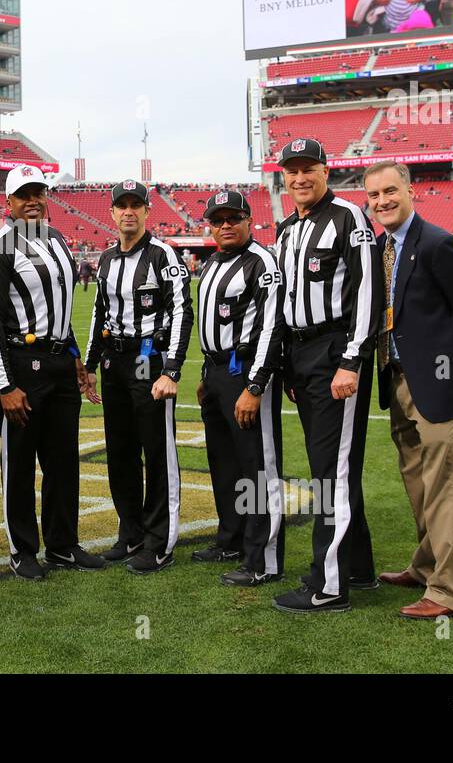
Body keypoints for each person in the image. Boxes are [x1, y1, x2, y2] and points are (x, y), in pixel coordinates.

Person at [364, 162, 453, 619]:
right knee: (420, 486)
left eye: (390, 191)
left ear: (410, 191)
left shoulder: (439, 244)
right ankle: (426, 566)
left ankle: (451, 592)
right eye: (375, 195)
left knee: (446, 489)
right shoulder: (382, 248)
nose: (383, 201)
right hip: (399, 379)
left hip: (441, 384)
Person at [0, 164, 104, 579]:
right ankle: (22, 549)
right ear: (8, 202)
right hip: (22, 364)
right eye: (24, 193)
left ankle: (63, 545)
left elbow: (61, 311)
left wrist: (75, 359)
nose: (33, 199)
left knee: (63, 459)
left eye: (39, 192)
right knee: (19, 461)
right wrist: (5, 384)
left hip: (58, 363)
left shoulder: (58, 240)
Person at [272, 138, 379, 614]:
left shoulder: (348, 217)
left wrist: (352, 360)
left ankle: (329, 585)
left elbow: (369, 293)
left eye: (307, 169)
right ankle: (355, 566)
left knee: (331, 473)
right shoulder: (286, 230)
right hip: (303, 354)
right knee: (333, 469)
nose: (299, 178)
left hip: (336, 350)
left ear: (325, 171)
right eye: (291, 171)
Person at [80, 180, 192, 575]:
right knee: (121, 452)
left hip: (149, 360)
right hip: (115, 360)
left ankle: (159, 542)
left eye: (136, 205)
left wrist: (172, 369)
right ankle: (130, 532)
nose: (128, 212)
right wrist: (89, 364)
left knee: (157, 451)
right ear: (111, 213)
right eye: (121, 206)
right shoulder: (107, 259)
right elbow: (98, 312)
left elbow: (181, 310)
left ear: (148, 211)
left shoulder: (163, 255)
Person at [188, 189, 286, 586]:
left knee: (256, 467)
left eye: (233, 218)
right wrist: (206, 377)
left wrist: (256, 383)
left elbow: (271, 327)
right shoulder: (212, 262)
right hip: (216, 374)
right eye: (217, 220)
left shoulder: (262, 262)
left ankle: (264, 558)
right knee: (224, 463)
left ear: (249, 220)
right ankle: (231, 539)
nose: (225, 225)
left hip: (245, 371)